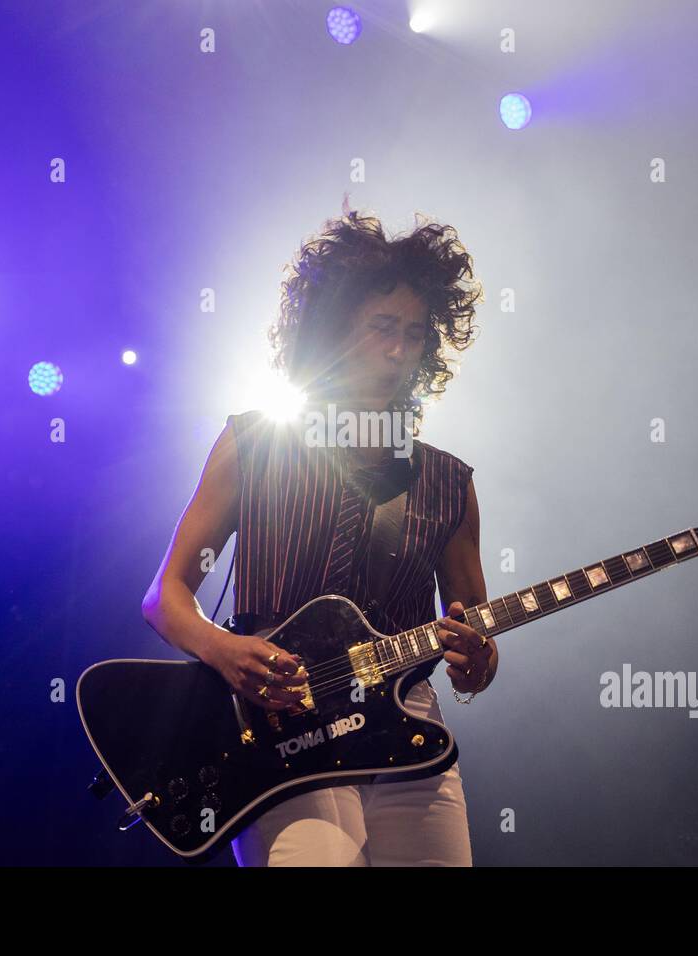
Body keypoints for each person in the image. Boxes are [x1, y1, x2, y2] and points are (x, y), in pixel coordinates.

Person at [142, 206, 497, 866]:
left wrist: (479, 662)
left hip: (408, 726)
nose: (397, 350)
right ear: (333, 332)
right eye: (381, 328)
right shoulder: (255, 444)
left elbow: (474, 636)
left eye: (415, 335)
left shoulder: (449, 482)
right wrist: (224, 651)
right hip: (282, 723)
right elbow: (166, 595)